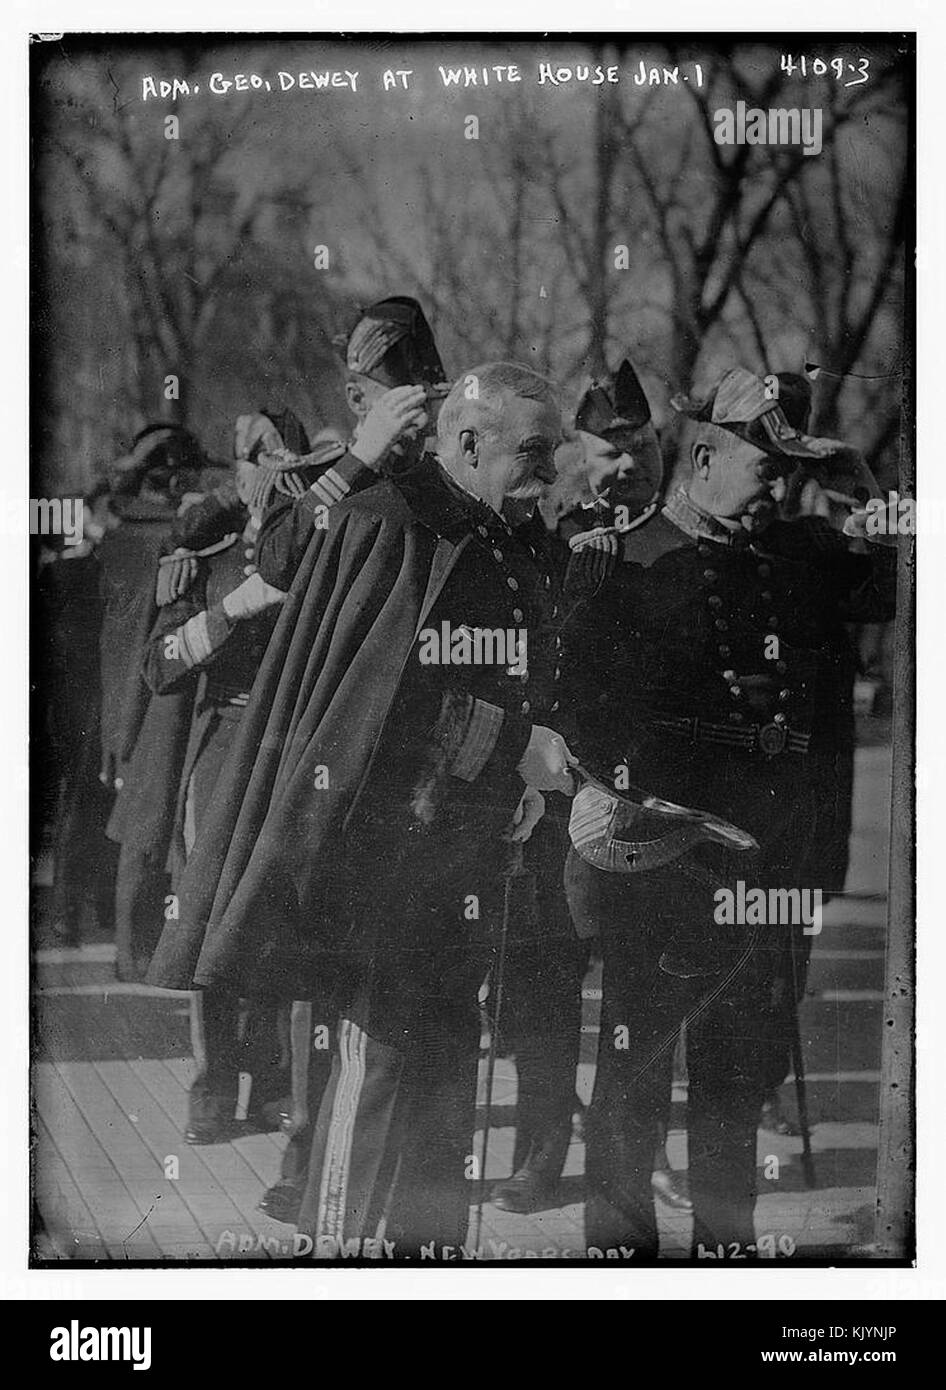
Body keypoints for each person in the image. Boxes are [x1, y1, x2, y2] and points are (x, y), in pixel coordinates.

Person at [148, 362, 577, 1258]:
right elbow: (372, 711)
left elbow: (508, 679)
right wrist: (512, 747)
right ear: (469, 442)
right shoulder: (391, 521)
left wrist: (519, 784)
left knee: (446, 1093)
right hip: (377, 869)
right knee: (376, 1081)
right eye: (534, 452)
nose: (550, 472)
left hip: (467, 861)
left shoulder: (510, 538)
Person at [561, 365, 896, 1258]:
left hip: (762, 862)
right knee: (633, 1071)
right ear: (704, 457)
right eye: (765, 467)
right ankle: (616, 1255)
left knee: (733, 1078)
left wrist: (868, 494)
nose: (778, 486)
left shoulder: (795, 553)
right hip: (658, 857)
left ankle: (727, 1252)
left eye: (788, 472)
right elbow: (575, 707)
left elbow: (895, 590)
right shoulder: (623, 557)